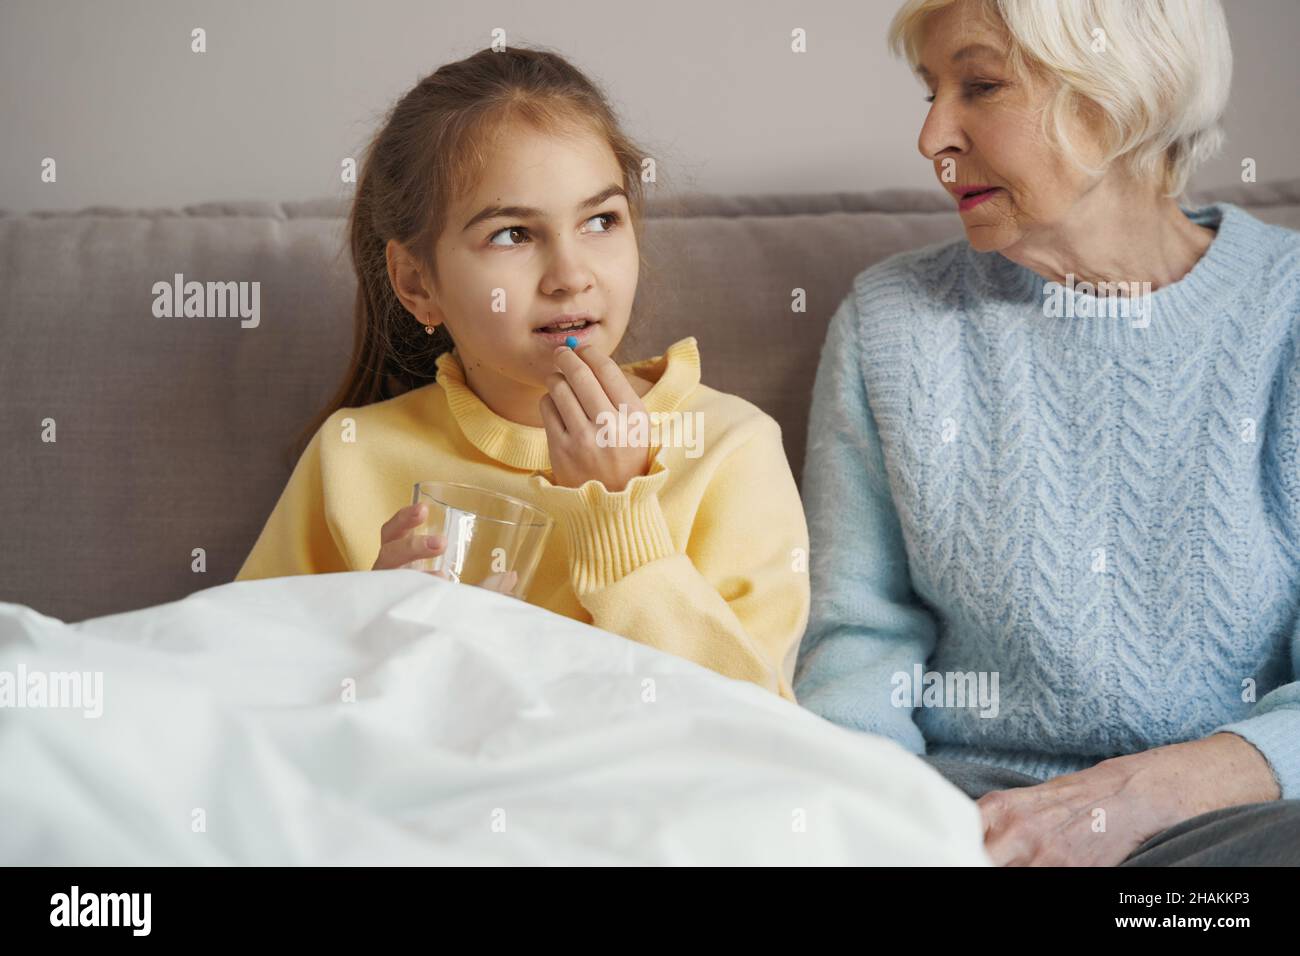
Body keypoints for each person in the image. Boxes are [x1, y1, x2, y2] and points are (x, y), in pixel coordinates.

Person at [795, 0, 1300, 864]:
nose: (931, 139)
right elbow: (857, 642)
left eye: (981, 85)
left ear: (1121, 93)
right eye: (929, 93)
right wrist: (882, 828)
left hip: (1231, 818)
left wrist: (1154, 793)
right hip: (964, 814)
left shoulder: (1284, 313)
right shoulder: (894, 321)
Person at [237, 47, 809, 702]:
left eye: (601, 221)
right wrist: (372, 624)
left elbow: (758, 727)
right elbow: (243, 688)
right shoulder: (353, 454)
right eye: (512, 235)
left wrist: (616, 520)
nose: (571, 275)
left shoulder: (730, 447)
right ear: (418, 283)